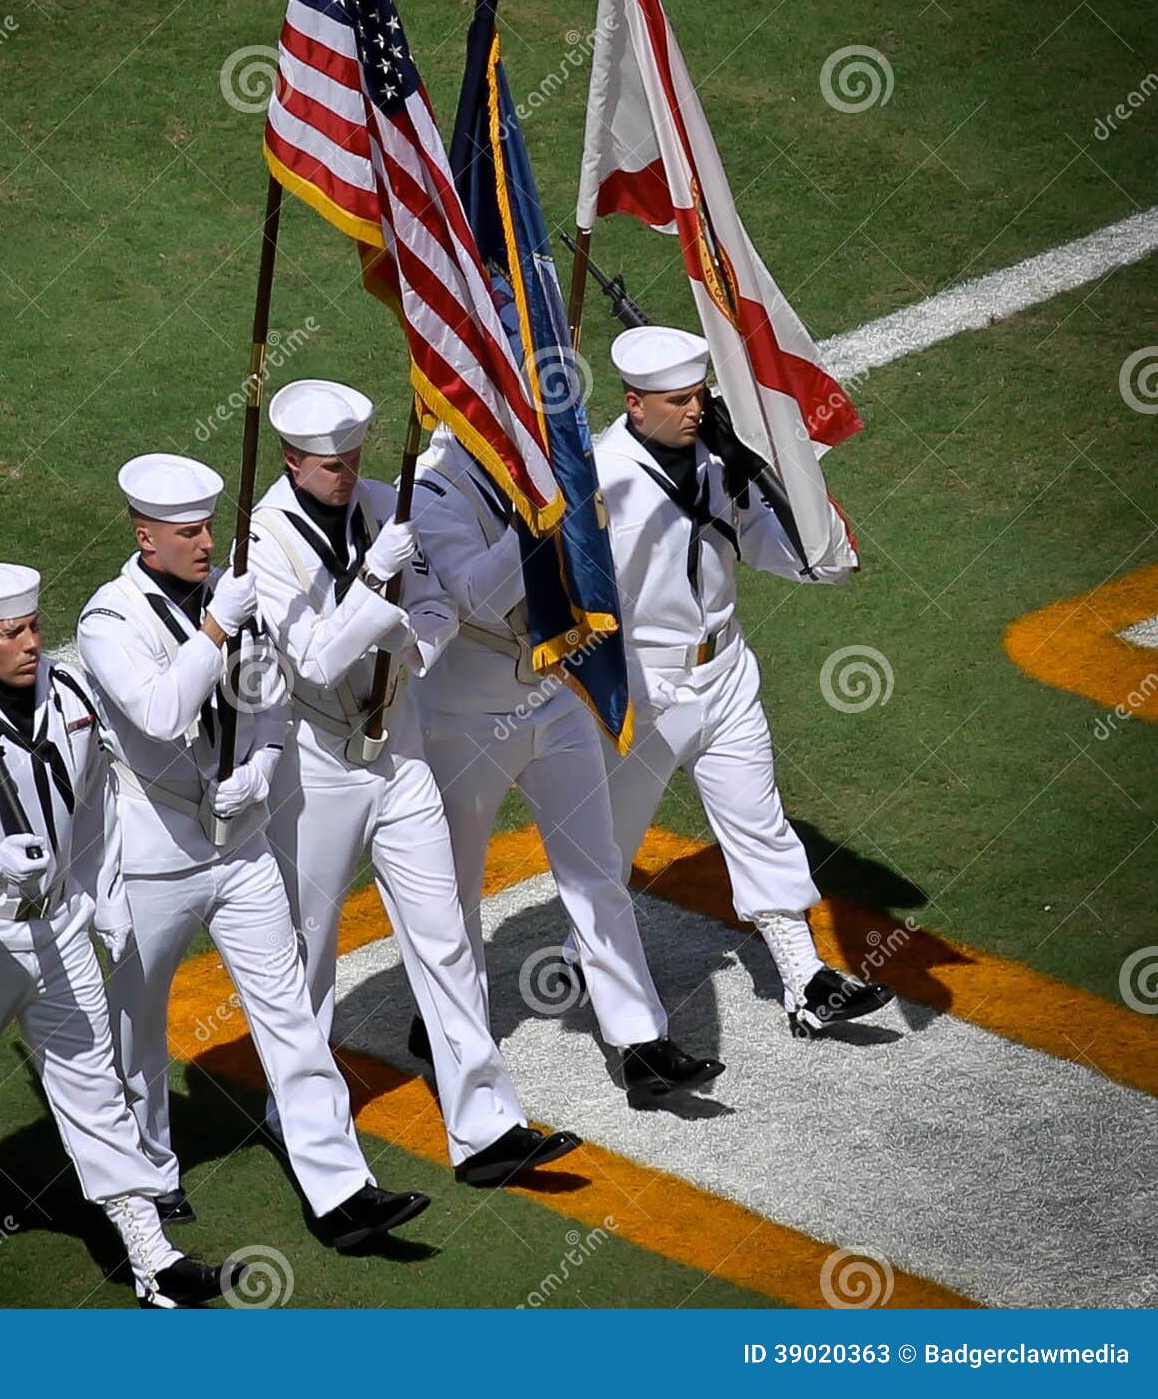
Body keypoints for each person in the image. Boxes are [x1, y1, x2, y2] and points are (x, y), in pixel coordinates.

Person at [77, 453, 430, 1251]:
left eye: (208, 526)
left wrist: (265, 767)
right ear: (145, 537)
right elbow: (164, 712)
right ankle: (149, 1170)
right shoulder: (109, 620)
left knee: (291, 1017)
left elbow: (270, 704)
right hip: (156, 852)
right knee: (138, 1021)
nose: (207, 543)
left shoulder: (232, 595)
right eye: (187, 532)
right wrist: (212, 629)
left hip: (240, 850)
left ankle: (342, 1194)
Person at [249, 379, 581, 1186]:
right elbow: (318, 659)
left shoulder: (378, 502)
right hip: (317, 762)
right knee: (308, 954)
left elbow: (434, 606)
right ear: (293, 461)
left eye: (355, 458)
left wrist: (415, 637)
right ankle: (293, 1116)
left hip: (396, 751)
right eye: (332, 464)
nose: (349, 473)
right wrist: (372, 585)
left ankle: (487, 1127)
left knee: (443, 934)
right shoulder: (261, 540)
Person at [0, 561, 236, 1306]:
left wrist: (102, 894)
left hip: (60, 932)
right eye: (10, 633)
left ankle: (152, 1258)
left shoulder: (69, 694)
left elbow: (98, 801)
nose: (31, 642)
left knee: (95, 1092)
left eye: (34, 627)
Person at [593, 326, 894, 1038]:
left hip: (725, 673)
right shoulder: (600, 479)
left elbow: (798, 555)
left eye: (699, 395)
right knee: (604, 847)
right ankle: (591, 960)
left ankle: (807, 982)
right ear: (634, 404)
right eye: (676, 400)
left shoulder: (715, 456)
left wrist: (761, 476)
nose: (694, 410)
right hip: (643, 689)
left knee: (759, 826)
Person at [413, 424, 723, 1100]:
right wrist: (536, 514)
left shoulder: (536, 459)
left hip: (553, 694)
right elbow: (479, 598)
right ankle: (444, 1028)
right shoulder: (433, 487)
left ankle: (641, 1042)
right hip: (467, 719)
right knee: (452, 891)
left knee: (595, 868)